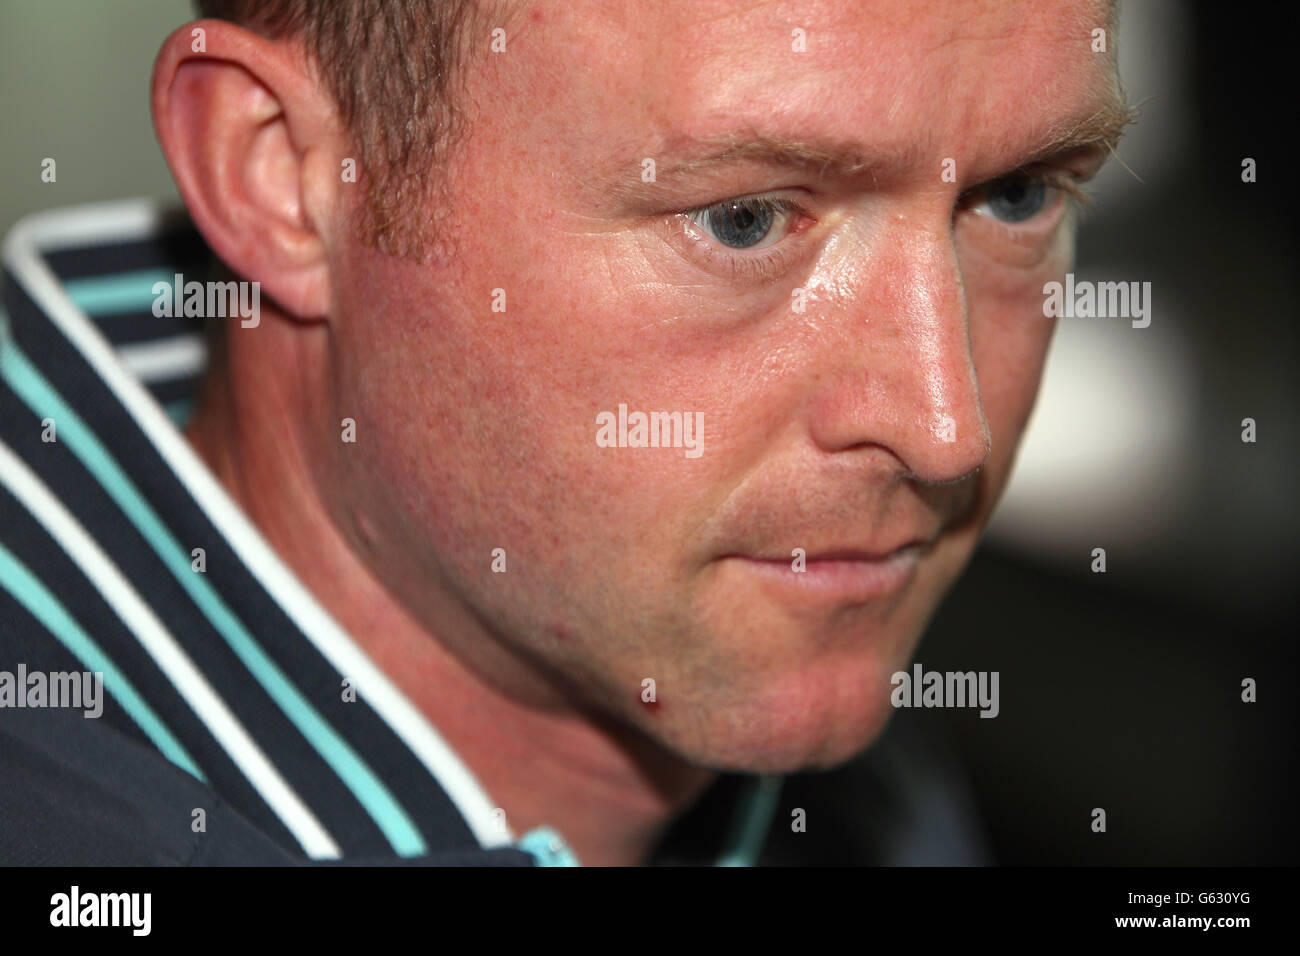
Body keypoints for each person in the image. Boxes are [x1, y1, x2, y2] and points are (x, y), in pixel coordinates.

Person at [0, 0, 1130, 865]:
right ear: (282, 180)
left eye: (1019, 195)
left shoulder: (792, 712)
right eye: (741, 220)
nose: (943, 427)